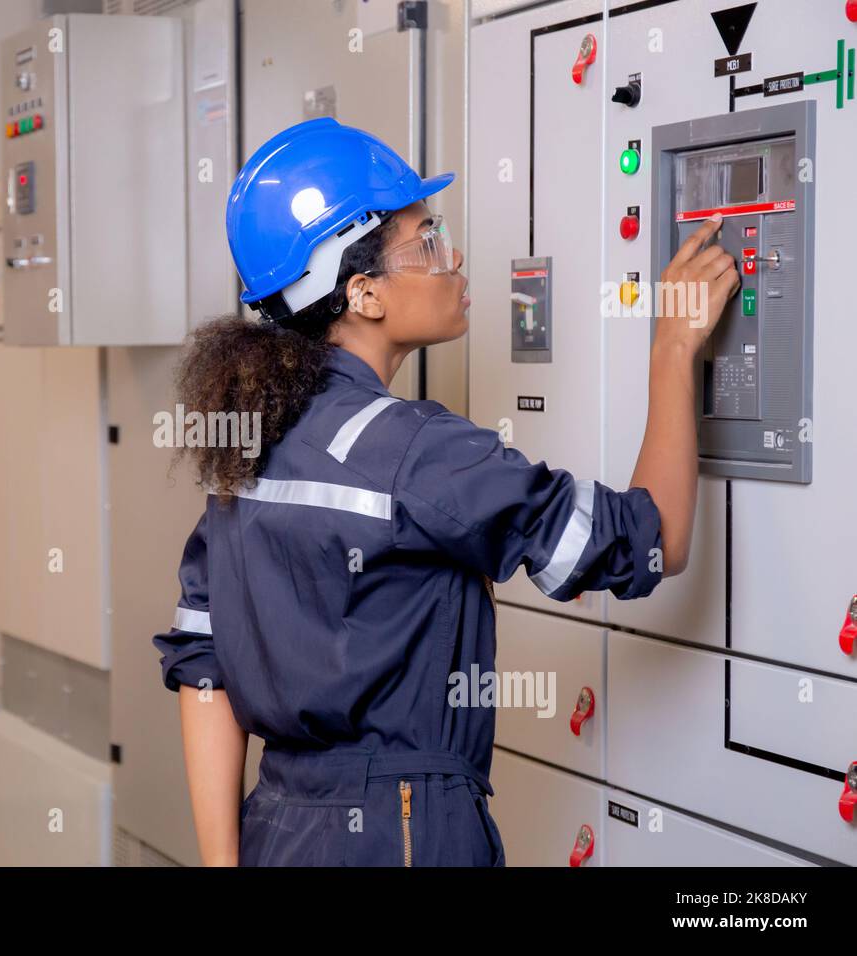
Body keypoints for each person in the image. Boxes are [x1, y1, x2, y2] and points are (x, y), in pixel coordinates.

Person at [152, 117, 738, 867]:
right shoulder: (415, 448)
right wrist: (674, 347)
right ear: (362, 292)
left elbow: (203, 662)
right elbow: (648, 542)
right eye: (426, 239)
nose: (452, 256)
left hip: (277, 829)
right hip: (403, 832)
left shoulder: (251, 446)